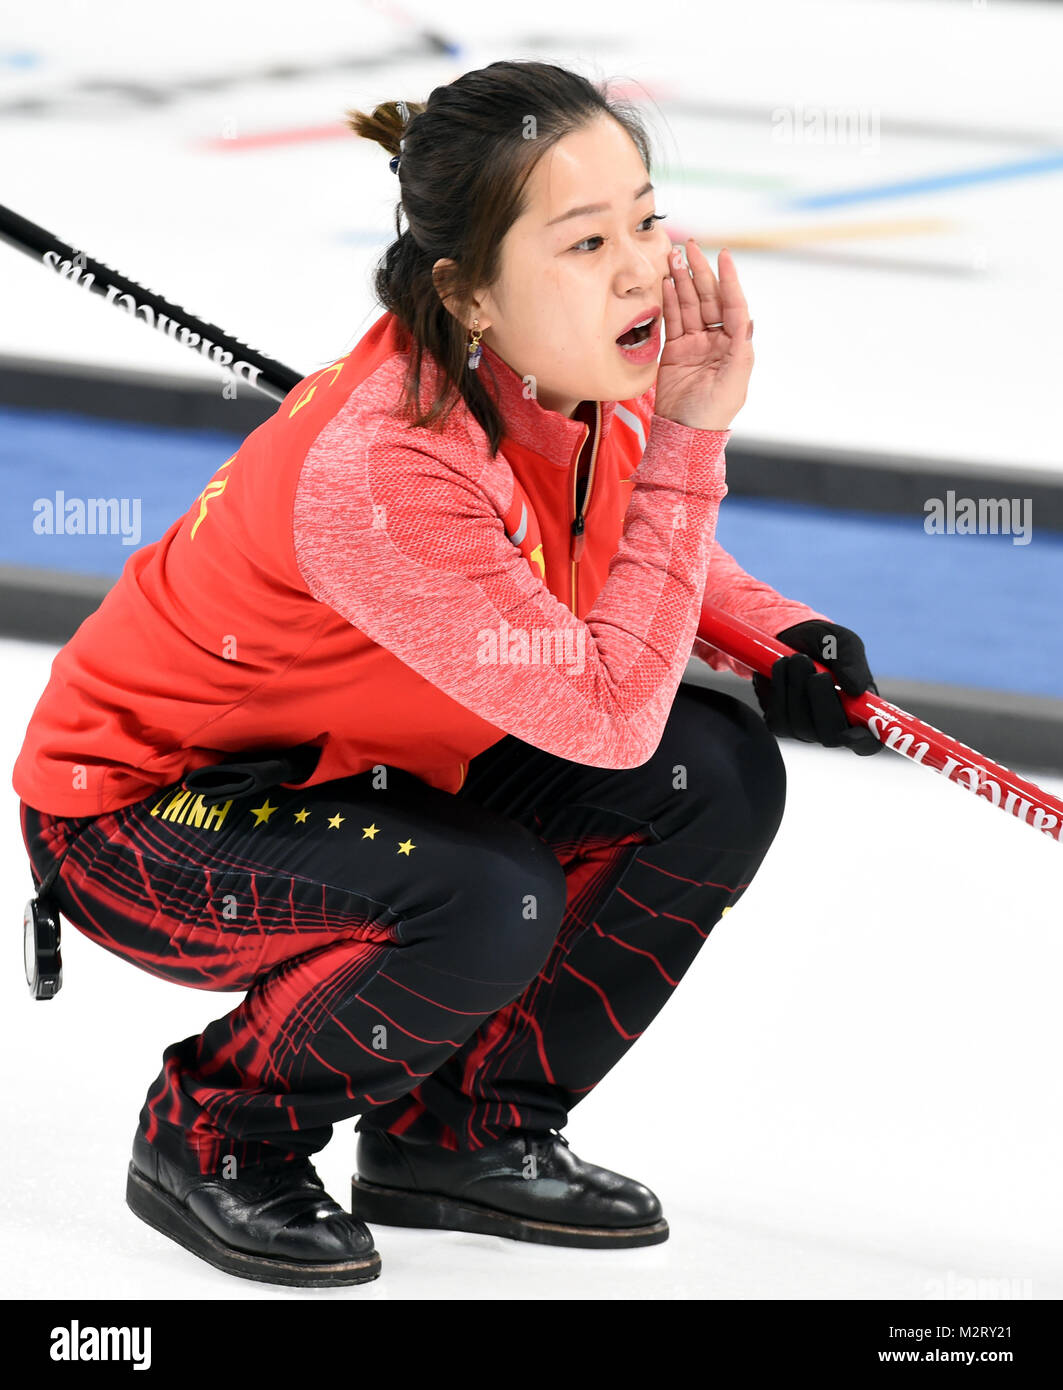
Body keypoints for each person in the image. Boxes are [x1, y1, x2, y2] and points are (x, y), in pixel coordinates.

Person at [13, 59, 881, 1290]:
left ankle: (460, 1130)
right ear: (466, 291)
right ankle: (214, 1127)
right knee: (489, 890)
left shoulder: (571, 379)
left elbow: (626, 546)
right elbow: (598, 713)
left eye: (643, 217)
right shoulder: (388, 469)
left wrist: (780, 632)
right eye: (584, 242)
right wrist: (694, 435)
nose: (640, 265)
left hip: (351, 768)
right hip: (146, 812)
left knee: (715, 768)